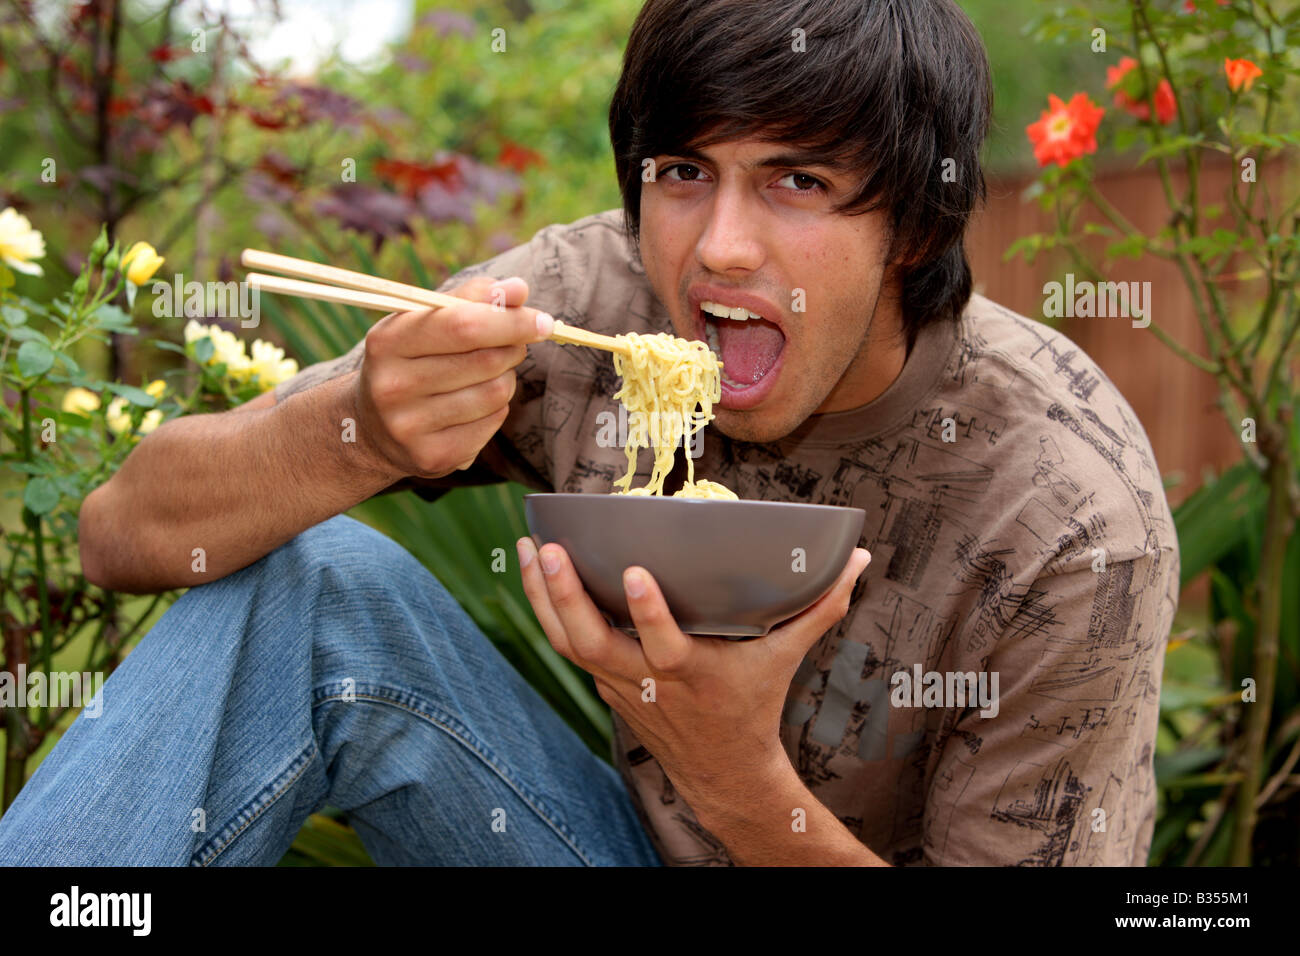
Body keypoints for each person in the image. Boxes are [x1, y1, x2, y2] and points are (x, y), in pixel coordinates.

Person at [0, 0, 1177, 866]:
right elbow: (120, 528)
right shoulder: (580, 305)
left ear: (918, 221)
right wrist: (361, 428)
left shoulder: (1066, 510)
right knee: (314, 586)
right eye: (682, 171)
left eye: (797, 181)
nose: (716, 247)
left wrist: (735, 773)